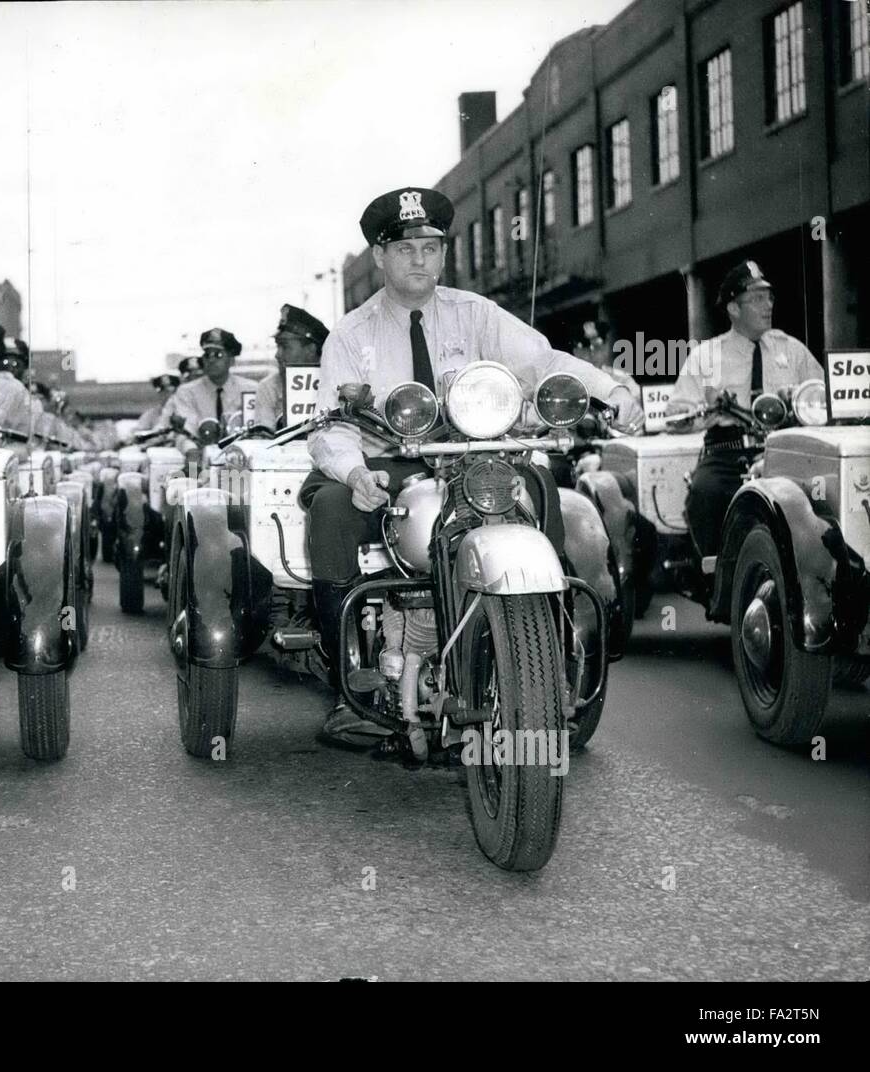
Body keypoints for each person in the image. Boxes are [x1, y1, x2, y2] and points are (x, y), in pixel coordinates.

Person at [303, 186, 644, 748]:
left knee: (539, 487)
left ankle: (547, 653)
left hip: (470, 456)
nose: (420, 259)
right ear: (381, 257)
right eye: (405, 248)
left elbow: (542, 359)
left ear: (442, 254)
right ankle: (350, 690)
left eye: (431, 247)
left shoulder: (475, 313)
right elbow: (330, 427)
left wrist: (610, 390)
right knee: (333, 510)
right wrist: (354, 473)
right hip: (382, 463)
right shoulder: (350, 334)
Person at [666, 260, 823, 558]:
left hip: (784, 450)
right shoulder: (707, 356)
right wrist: (706, 410)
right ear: (733, 309)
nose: (768, 306)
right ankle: (717, 582)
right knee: (704, 494)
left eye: (769, 297)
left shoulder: (791, 349)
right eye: (757, 299)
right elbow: (675, 416)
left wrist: (801, 401)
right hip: (727, 451)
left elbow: (822, 398)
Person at [154, 328, 259, 436]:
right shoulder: (187, 392)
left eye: (218, 355)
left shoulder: (251, 389)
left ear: (231, 360)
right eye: (207, 355)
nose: (211, 360)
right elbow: (189, 429)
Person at [253, 304, 328, 429]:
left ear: (310, 349)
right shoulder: (268, 388)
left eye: (285, 346)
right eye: (278, 346)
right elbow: (264, 442)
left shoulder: (334, 383)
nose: (277, 354)